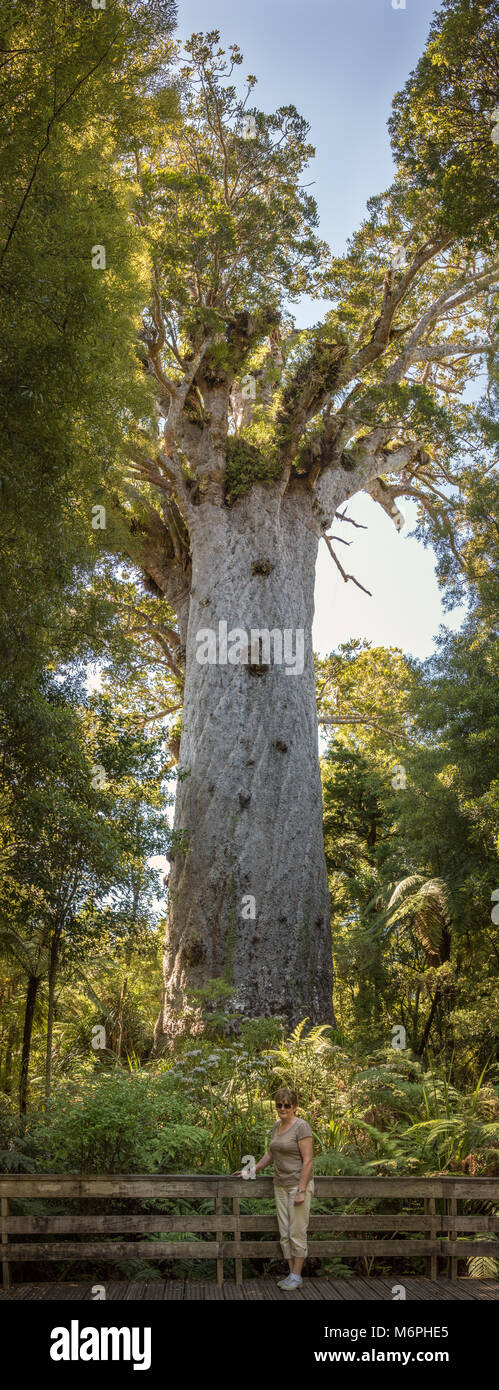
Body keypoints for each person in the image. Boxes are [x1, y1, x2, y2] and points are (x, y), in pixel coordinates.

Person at [234, 1087, 314, 1291]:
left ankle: (296, 1276)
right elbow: (270, 1154)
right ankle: (291, 1275)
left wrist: (302, 1189)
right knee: (285, 1232)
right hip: (280, 1185)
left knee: (297, 1231)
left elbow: (308, 1161)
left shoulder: (301, 1127)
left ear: (294, 1107)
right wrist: (251, 1171)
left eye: (287, 1105)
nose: (283, 1108)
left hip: (298, 1185)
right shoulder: (277, 1126)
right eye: (279, 1105)